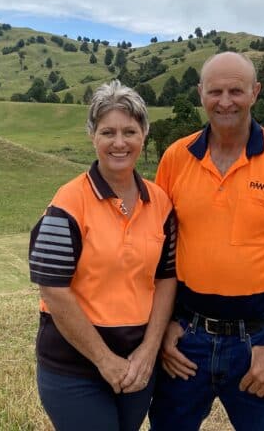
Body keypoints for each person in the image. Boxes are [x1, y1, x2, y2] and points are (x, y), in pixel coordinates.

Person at [149, 52, 264, 431]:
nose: (225, 101)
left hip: (262, 343)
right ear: (201, 93)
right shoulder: (175, 158)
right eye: (215, 91)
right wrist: (164, 326)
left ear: (255, 92)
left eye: (236, 90)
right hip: (187, 341)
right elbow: (157, 251)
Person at [29, 80, 178, 431]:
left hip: (137, 365)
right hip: (74, 368)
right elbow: (53, 290)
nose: (119, 142)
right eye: (107, 132)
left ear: (144, 133)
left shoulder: (160, 203)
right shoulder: (66, 204)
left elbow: (166, 277)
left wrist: (149, 350)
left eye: (129, 131)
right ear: (92, 136)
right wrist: (104, 360)